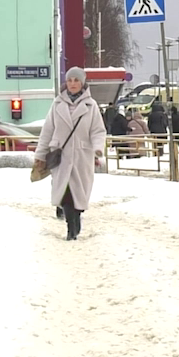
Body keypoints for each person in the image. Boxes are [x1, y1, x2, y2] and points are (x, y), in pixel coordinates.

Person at [33, 67, 106, 241]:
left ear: (82, 83)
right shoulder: (57, 104)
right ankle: (70, 230)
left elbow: (98, 130)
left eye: (76, 80)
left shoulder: (91, 105)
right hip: (61, 156)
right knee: (65, 194)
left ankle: (76, 222)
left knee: (77, 194)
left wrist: (98, 148)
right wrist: (40, 154)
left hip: (81, 156)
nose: (72, 84)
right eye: (70, 80)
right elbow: (47, 130)